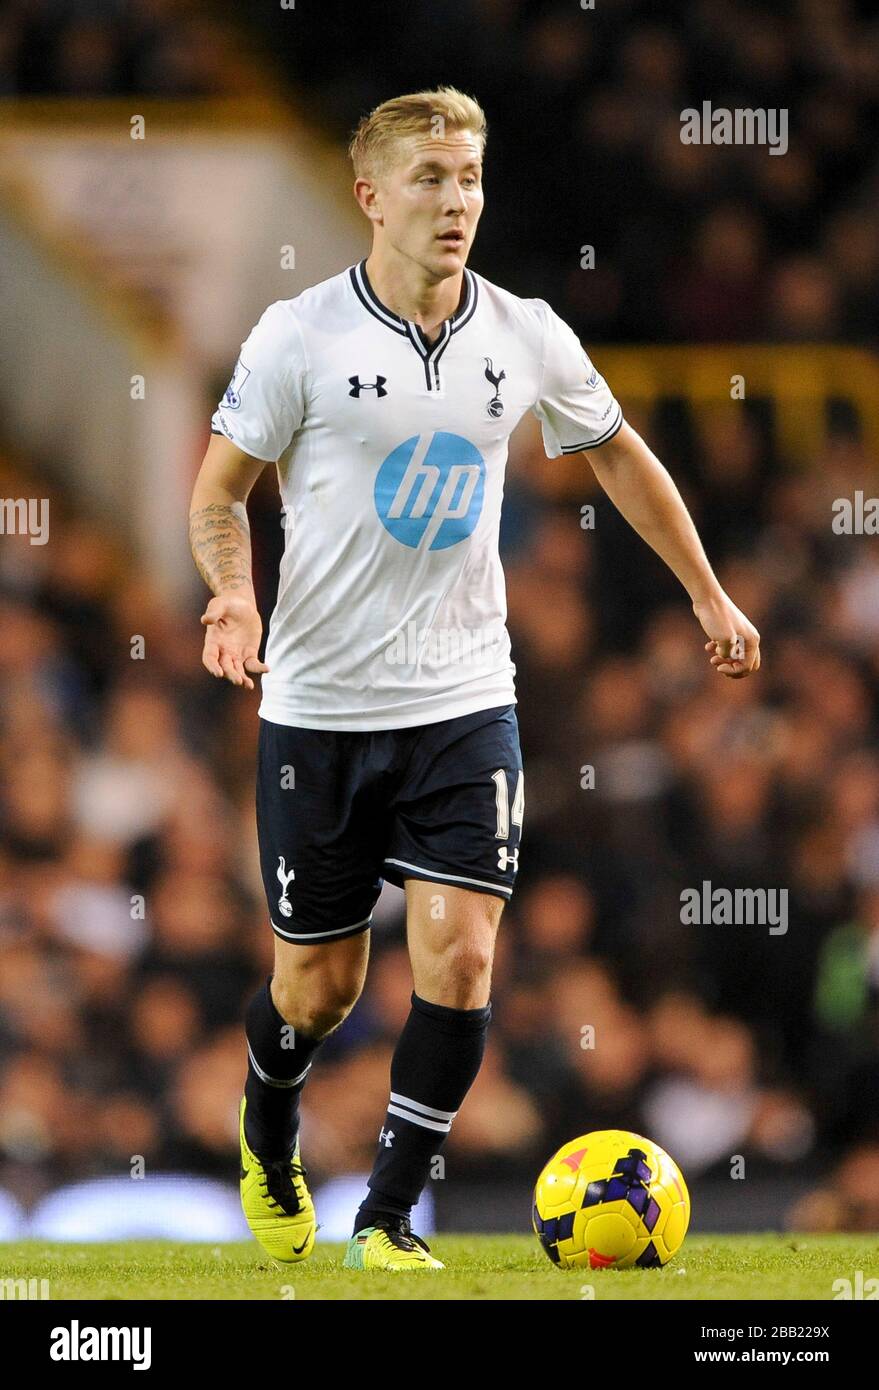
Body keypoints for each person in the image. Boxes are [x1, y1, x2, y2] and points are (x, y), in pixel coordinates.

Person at [188, 86, 760, 1273]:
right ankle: (269, 1117)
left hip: (462, 702)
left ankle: (387, 1216)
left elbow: (622, 456)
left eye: (472, 178)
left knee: (460, 960)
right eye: (433, 180)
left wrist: (706, 591)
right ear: (371, 196)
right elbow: (216, 494)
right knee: (317, 992)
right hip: (320, 709)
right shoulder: (298, 338)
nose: (458, 203)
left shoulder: (526, 332)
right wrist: (235, 594)